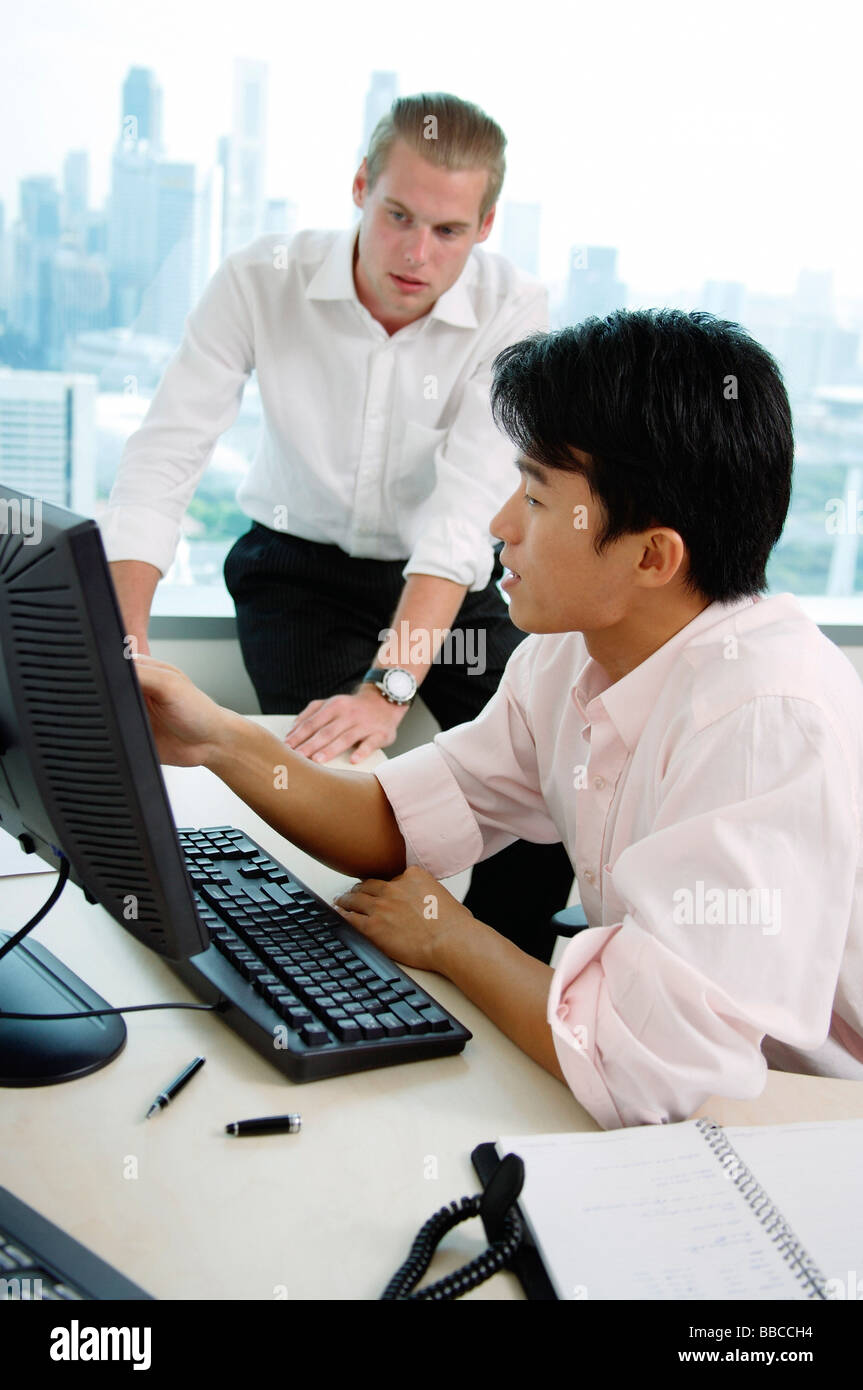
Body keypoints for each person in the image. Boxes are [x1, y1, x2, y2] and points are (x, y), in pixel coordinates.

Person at [131, 307, 863, 1129]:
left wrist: (453, 937)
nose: (499, 527)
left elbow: (645, 1069)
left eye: (539, 499)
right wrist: (218, 738)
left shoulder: (764, 718)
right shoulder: (571, 653)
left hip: (810, 1125)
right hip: (691, 1098)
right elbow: (397, 821)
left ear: (652, 556)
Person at [100, 92, 573, 962]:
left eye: (447, 231)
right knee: (321, 779)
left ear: (486, 225)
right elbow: (166, 455)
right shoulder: (259, 276)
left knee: (541, 778)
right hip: (300, 569)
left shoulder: (516, 307)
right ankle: (334, 973)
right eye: (397, 215)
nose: (414, 253)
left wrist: (387, 689)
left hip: (456, 586)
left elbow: (465, 514)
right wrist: (120, 644)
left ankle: (504, 957)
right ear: (360, 186)